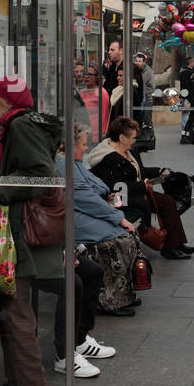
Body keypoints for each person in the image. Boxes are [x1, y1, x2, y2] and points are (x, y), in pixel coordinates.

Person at [0, 77, 63, 386]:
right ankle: (18, 383)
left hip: (18, 235)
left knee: (17, 313)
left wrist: (1, 188)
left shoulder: (19, 128)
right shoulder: (20, 125)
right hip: (16, 233)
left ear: (7, 101)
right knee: (12, 309)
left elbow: (42, 176)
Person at [89, 114, 194, 259]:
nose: (134, 141)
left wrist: (159, 171)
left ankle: (175, 243)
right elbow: (116, 187)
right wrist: (141, 186)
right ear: (121, 138)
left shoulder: (127, 151)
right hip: (123, 199)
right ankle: (171, 246)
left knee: (167, 201)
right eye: (132, 138)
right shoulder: (109, 159)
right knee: (166, 202)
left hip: (137, 192)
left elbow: (139, 170)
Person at [60, 124, 139, 314]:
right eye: (83, 144)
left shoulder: (73, 163)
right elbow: (84, 197)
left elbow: (93, 191)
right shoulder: (64, 165)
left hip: (83, 213)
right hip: (74, 218)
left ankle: (120, 294)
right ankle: (109, 300)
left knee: (126, 236)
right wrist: (118, 218)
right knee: (121, 240)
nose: (86, 148)